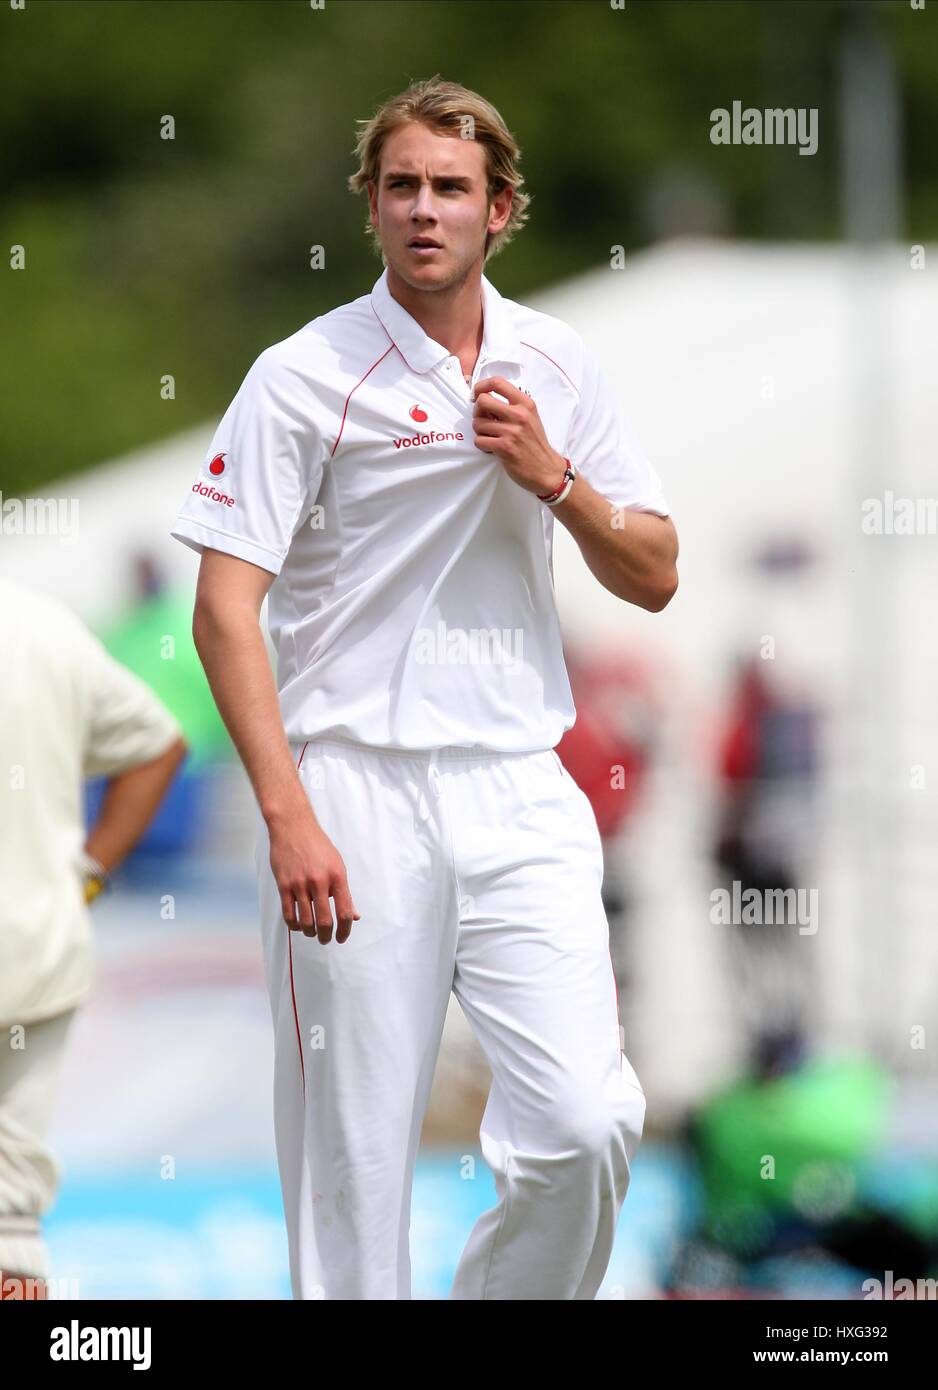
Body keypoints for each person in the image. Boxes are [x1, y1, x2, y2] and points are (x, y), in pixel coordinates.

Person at [170, 75, 679, 1301]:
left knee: (584, 1121)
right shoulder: (303, 373)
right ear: (370, 205)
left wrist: (553, 478)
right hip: (351, 794)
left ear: (499, 209)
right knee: (352, 1169)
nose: (422, 210)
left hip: (518, 786)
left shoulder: (557, 360)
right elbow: (222, 609)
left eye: (450, 188)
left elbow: (655, 571)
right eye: (400, 186)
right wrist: (289, 812)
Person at [0, 578, 187, 1300]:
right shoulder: (45, 624)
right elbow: (159, 744)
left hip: (45, 937)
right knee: (12, 1223)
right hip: (41, 944)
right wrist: (86, 876)